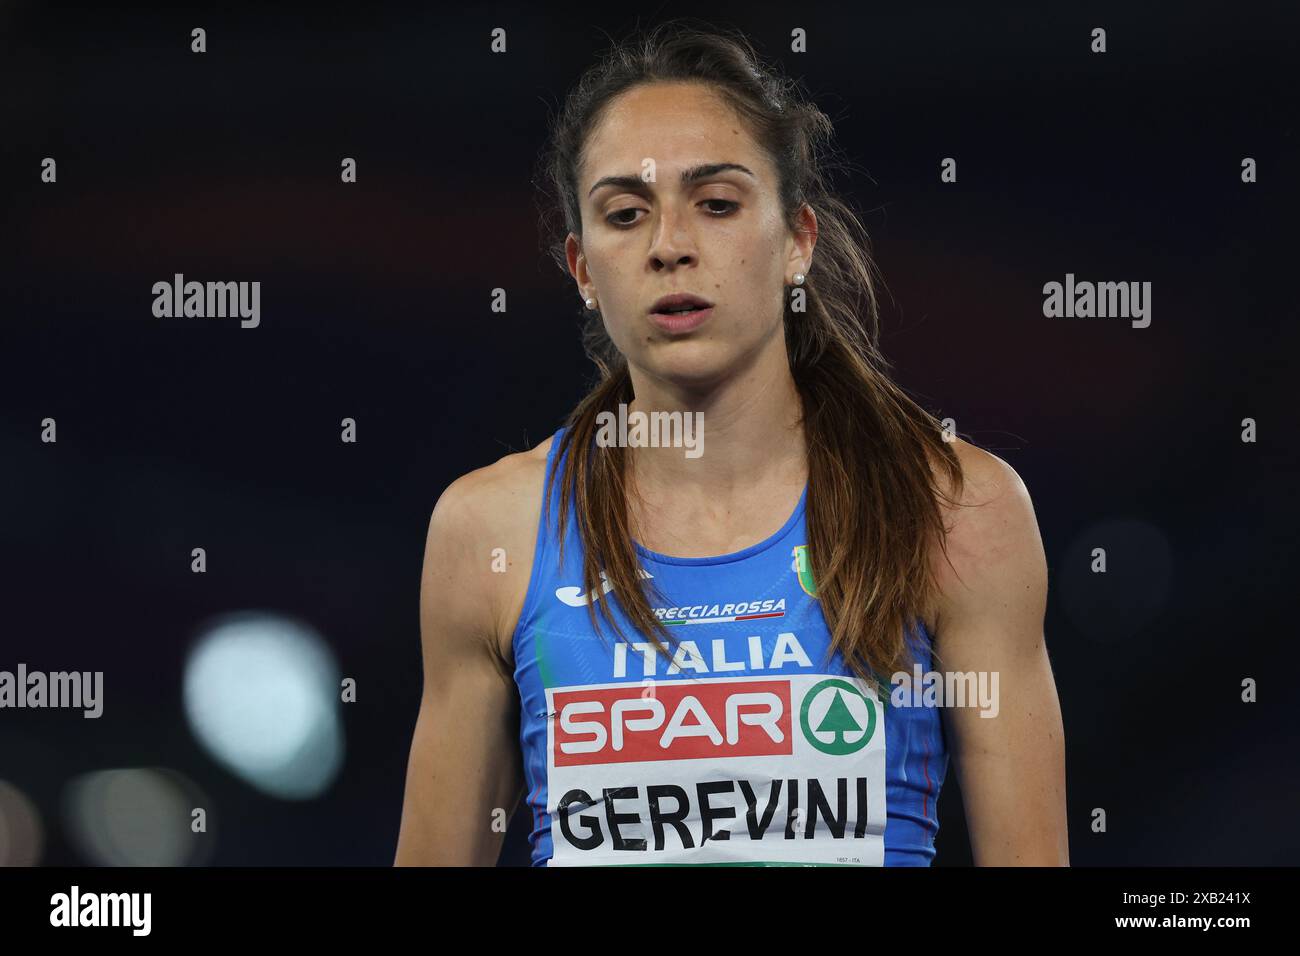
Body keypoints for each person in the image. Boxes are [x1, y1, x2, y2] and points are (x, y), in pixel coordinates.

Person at [394, 20, 1067, 866]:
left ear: (796, 241)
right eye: (625, 214)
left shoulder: (955, 508)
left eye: (716, 204)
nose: (671, 246)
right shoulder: (491, 531)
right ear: (581, 269)